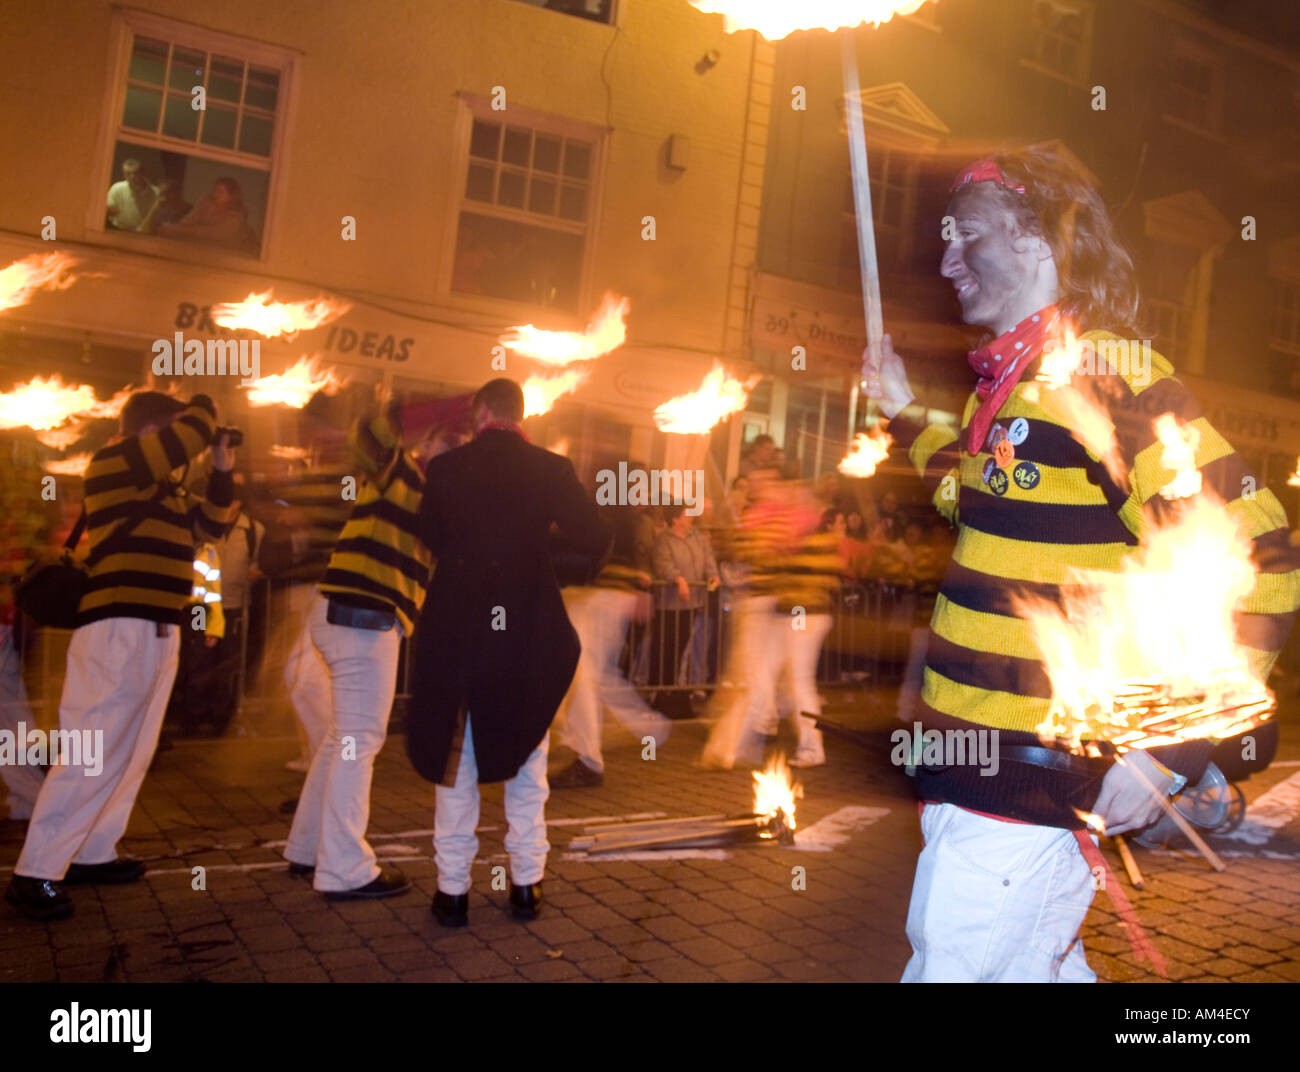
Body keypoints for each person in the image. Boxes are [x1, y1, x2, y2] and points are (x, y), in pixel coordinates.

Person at [865, 146, 1300, 982]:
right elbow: (972, 497)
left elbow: (1263, 552)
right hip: (965, 763)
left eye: (969, 236)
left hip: (1033, 778)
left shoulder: (1110, 372)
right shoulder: (1005, 386)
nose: (947, 259)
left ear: (1039, 239)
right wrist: (900, 413)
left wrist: (1165, 753)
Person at [6, 392, 235, 921]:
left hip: (157, 629)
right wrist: (205, 404)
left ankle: (92, 851)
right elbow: (190, 434)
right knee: (92, 752)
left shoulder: (162, 490)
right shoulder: (115, 461)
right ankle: (35, 871)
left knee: (132, 751)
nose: (190, 446)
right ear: (152, 432)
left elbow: (213, 530)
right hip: (117, 626)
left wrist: (222, 467)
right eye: (174, 431)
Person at [407, 378, 611, 927]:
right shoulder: (550, 468)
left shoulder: (447, 470)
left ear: (479, 414)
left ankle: (452, 892)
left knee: (458, 761)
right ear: (523, 415)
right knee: (527, 756)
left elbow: (430, 535)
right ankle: (527, 883)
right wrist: (546, 569)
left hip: (458, 631)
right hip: (523, 631)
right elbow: (595, 537)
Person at [282, 403, 433, 901]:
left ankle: (307, 846)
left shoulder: (419, 490)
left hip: (343, 614)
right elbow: (366, 431)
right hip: (363, 620)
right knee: (359, 742)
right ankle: (345, 867)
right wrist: (405, 406)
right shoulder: (404, 474)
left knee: (341, 739)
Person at [550, 501, 670, 789]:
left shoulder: (608, 505)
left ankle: (588, 756)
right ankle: (645, 728)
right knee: (592, 675)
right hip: (594, 594)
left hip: (596, 595)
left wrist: (634, 586)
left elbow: (620, 549)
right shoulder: (619, 509)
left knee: (583, 675)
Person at [648, 504, 720, 718]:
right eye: (686, 514)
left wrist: (713, 574)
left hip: (691, 603)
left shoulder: (696, 537)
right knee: (666, 648)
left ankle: (672, 692)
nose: (690, 517)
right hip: (669, 605)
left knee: (681, 648)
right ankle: (660, 691)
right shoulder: (664, 540)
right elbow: (662, 564)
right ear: (675, 519)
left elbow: (708, 558)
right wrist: (678, 579)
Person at [158, 177, 255, 251]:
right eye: (215, 190)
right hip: (198, 249)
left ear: (231, 196)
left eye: (220, 192)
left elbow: (213, 233)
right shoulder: (206, 202)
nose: (215, 194)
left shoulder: (237, 216)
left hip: (226, 255)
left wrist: (178, 230)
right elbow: (190, 220)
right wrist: (171, 228)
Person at [105, 159, 159, 231]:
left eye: (135, 173)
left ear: (143, 173)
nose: (132, 177)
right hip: (120, 231)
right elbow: (109, 212)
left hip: (146, 234)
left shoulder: (156, 193)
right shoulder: (117, 189)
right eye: (128, 174)